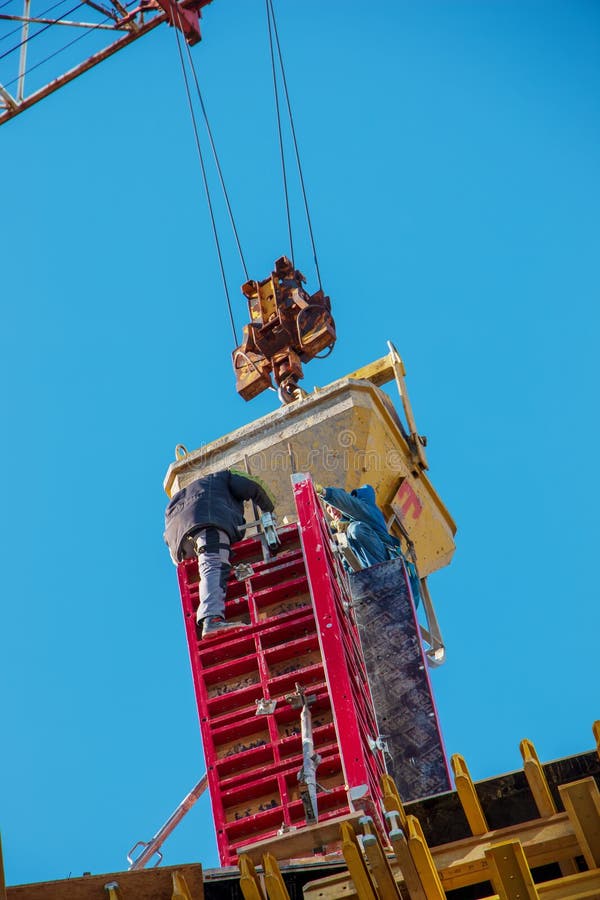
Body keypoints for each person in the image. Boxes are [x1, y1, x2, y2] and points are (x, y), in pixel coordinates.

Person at [164, 469, 275, 638]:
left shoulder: (176, 499)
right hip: (206, 522)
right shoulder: (225, 477)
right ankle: (211, 618)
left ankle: (208, 613)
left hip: (179, 541)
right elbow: (252, 486)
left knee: (207, 565)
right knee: (215, 564)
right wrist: (270, 511)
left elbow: (166, 537)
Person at [315, 483, 402, 569]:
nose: (333, 512)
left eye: (333, 507)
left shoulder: (367, 511)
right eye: (329, 511)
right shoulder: (340, 531)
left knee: (355, 528)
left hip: (385, 562)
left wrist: (325, 493)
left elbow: (351, 506)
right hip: (365, 574)